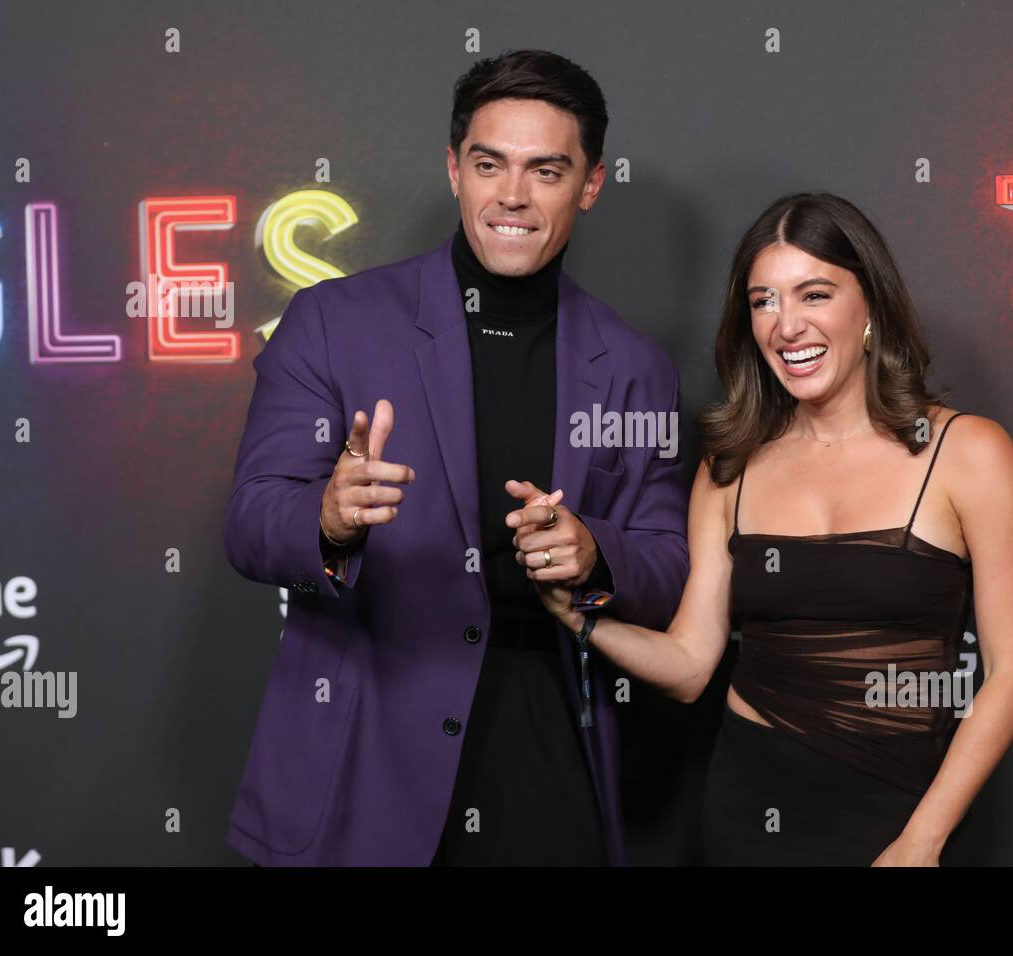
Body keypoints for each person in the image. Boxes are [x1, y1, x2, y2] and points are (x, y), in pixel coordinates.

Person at [222, 49, 688, 866]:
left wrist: (596, 553)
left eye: (546, 170)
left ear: (590, 184)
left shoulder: (634, 364)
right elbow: (252, 522)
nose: (512, 196)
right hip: (364, 743)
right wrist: (327, 519)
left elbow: (668, 559)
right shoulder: (334, 320)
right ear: (453, 169)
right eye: (489, 165)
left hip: (545, 744)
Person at [529, 192, 1013, 865]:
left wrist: (923, 839)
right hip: (747, 807)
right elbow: (689, 666)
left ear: (871, 310)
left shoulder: (968, 453)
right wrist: (582, 619)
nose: (786, 325)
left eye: (814, 294)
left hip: (905, 811)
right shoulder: (729, 465)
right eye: (764, 301)